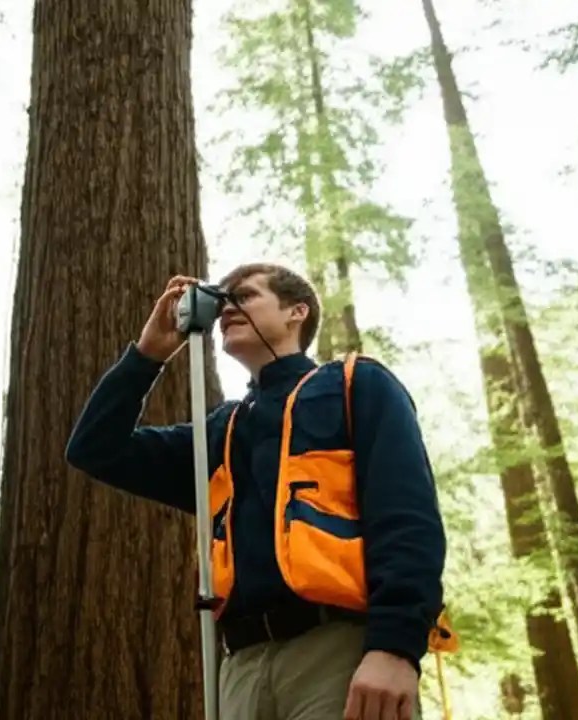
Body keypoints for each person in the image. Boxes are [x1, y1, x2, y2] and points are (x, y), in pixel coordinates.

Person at [65, 263, 447, 720]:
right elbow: (94, 448)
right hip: (241, 669)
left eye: (244, 296)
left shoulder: (355, 385)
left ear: (296, 312)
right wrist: (149, 353)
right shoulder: (221, 431)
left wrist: (395, 647)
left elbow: (407, 516)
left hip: (339, 651)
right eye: (222, 300)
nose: (227, 308)